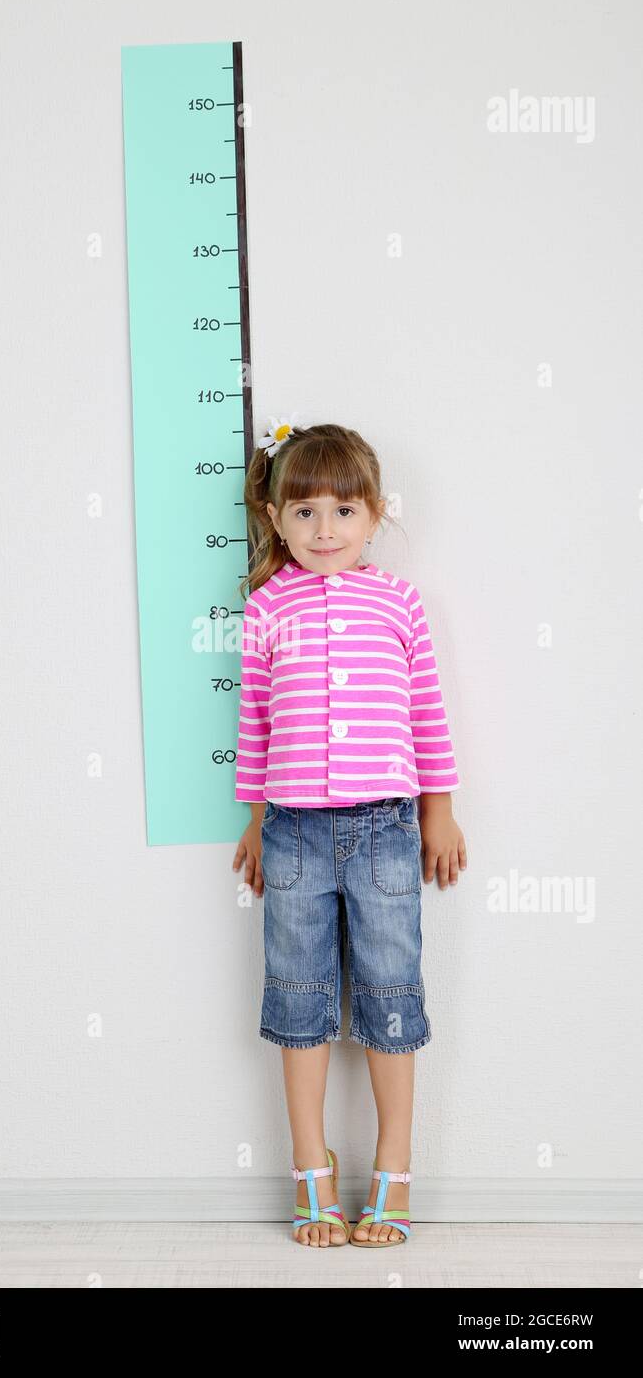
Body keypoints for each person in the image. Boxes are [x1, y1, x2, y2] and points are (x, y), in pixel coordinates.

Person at [232, 416, 467, 1249]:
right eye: (303, 512)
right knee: (298, 999)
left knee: (391, 994)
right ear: (275, 518)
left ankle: (395, 1166)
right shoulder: (266, 609)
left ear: (374, 513)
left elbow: (426, 712)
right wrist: (255, 822)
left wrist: (439, 808)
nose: (324, 529)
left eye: (342, 510)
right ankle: (312, 1167)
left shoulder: (398, 603)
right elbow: (254, 725)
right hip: (292, 834)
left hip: (386, 833)